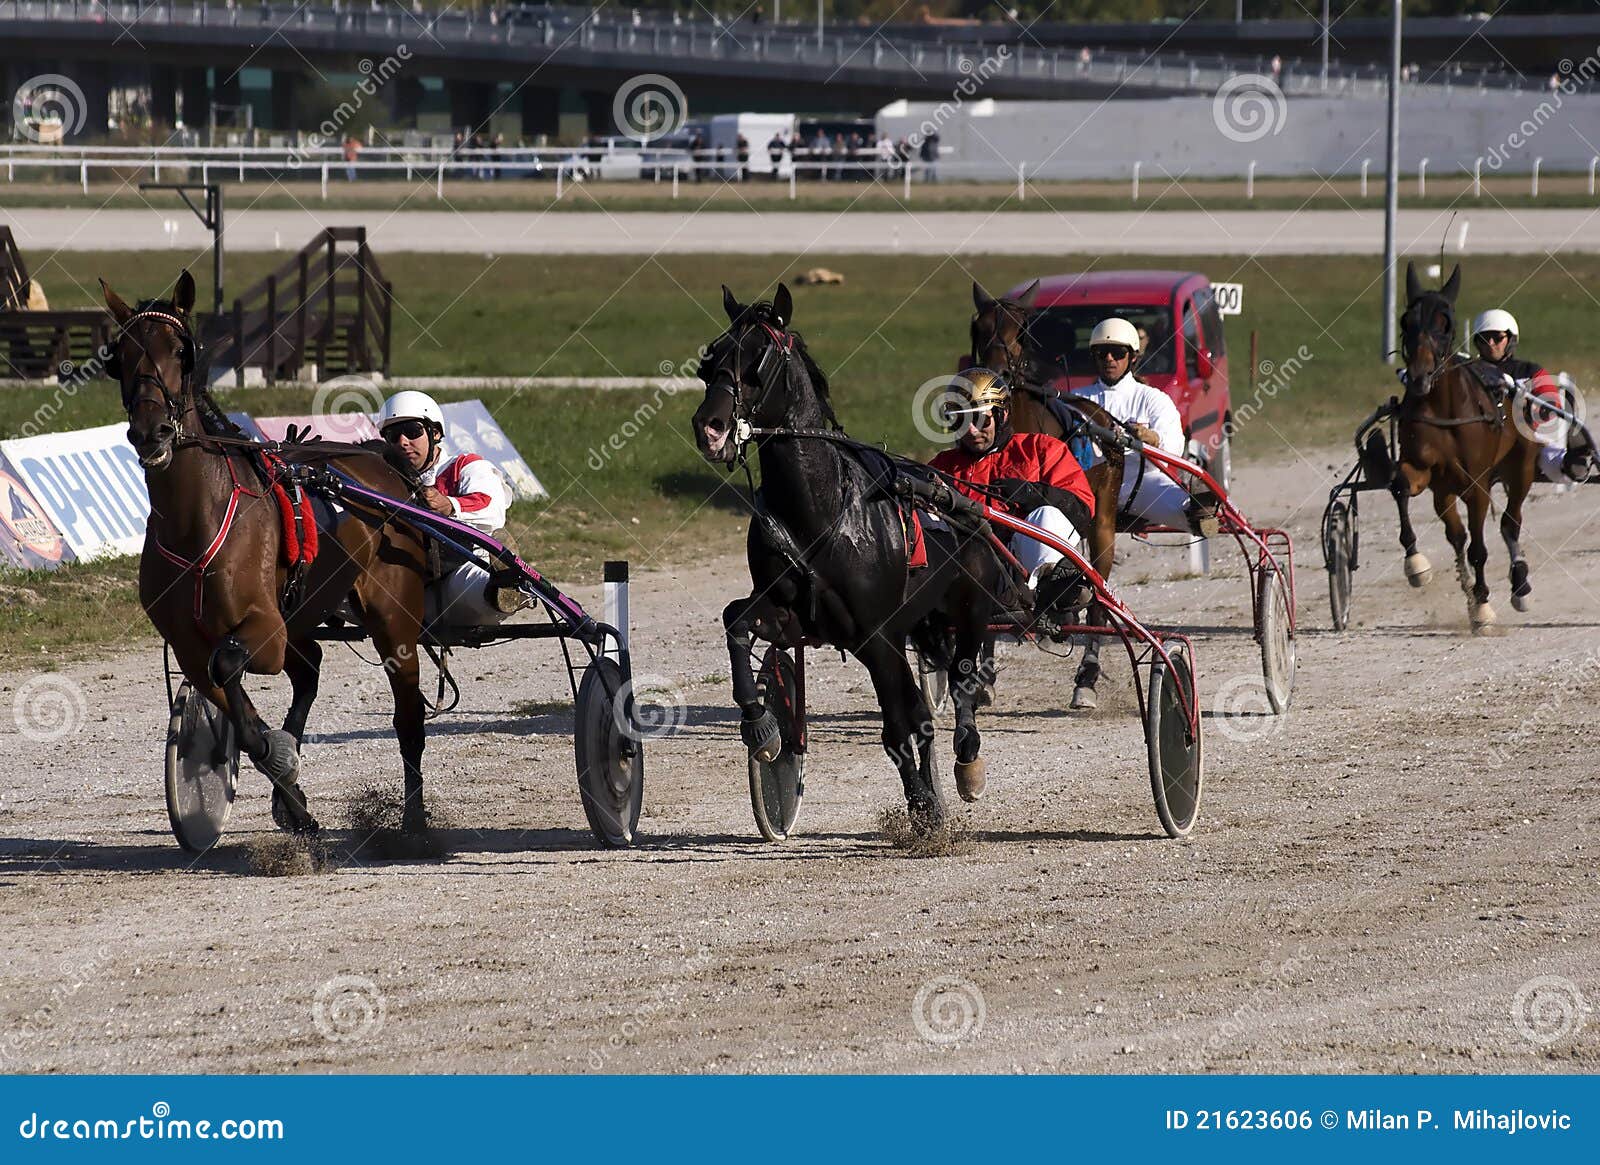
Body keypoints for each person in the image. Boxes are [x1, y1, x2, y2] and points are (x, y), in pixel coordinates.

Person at [929, 368, 1094, 619]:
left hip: (1023, 571)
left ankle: (1053, 594)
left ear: (1002, 414)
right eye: (962, 420)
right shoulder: (942, 466)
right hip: (968, 572)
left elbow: (1082, 509)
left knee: (1046, 515)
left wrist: (1034, 494)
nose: (972, 431)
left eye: (980, 419)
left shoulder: (1041, 449)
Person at [378, 391, 529, 624]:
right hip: (403, 588)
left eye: (413, 431)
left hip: (457, 577)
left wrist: (450, 506)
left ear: (435, 432)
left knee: (473, 582)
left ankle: (503, 587)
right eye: (393, 435)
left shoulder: (465, 466)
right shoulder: (380, 480)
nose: (403, 442)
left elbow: (492, 510)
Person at [1071, 317, 1217, 534]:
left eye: (1118, 352)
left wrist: (1154, 439)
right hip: (1090, 485)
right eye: (1102, 353)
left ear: (1132, 357)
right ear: (1094, 356)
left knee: (1191, 514)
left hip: (1142, 484)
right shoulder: (1075, 400)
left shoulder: (1152, 399)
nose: (1109, 359)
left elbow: (1175, 447)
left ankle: (1203, 512)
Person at [1470, 308, 1595, 482]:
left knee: (1551, 461)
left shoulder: (1529, 371)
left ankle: (1571, 462)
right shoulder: (1469, 372)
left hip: (1531, 432)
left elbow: (1550, 401)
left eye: (1497, 338)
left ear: (1511, 340)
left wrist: (1535, 411)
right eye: (1484, 338)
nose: (1490, 343)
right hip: (1483, 436)